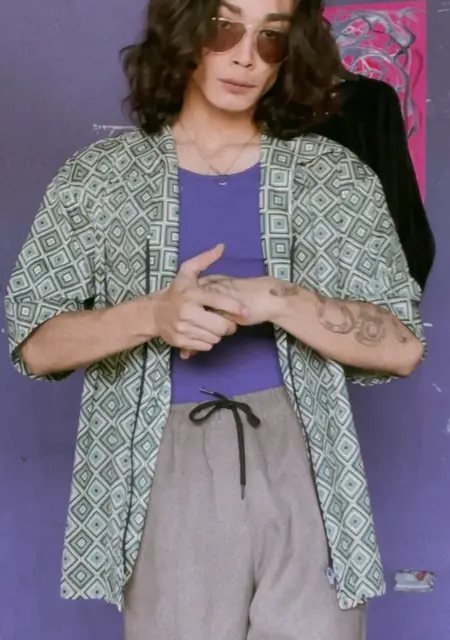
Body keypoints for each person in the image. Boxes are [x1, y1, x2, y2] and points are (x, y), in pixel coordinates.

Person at [4, 0, 426, 638]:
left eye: (271, 37)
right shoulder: (99, 178)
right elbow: (35, 345)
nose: (246, 57)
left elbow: (401, 347)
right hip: (164, 459)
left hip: (309, 458)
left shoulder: (333, 176)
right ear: (184, 34)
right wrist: (155, 314)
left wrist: (279, 299)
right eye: (224, 28)